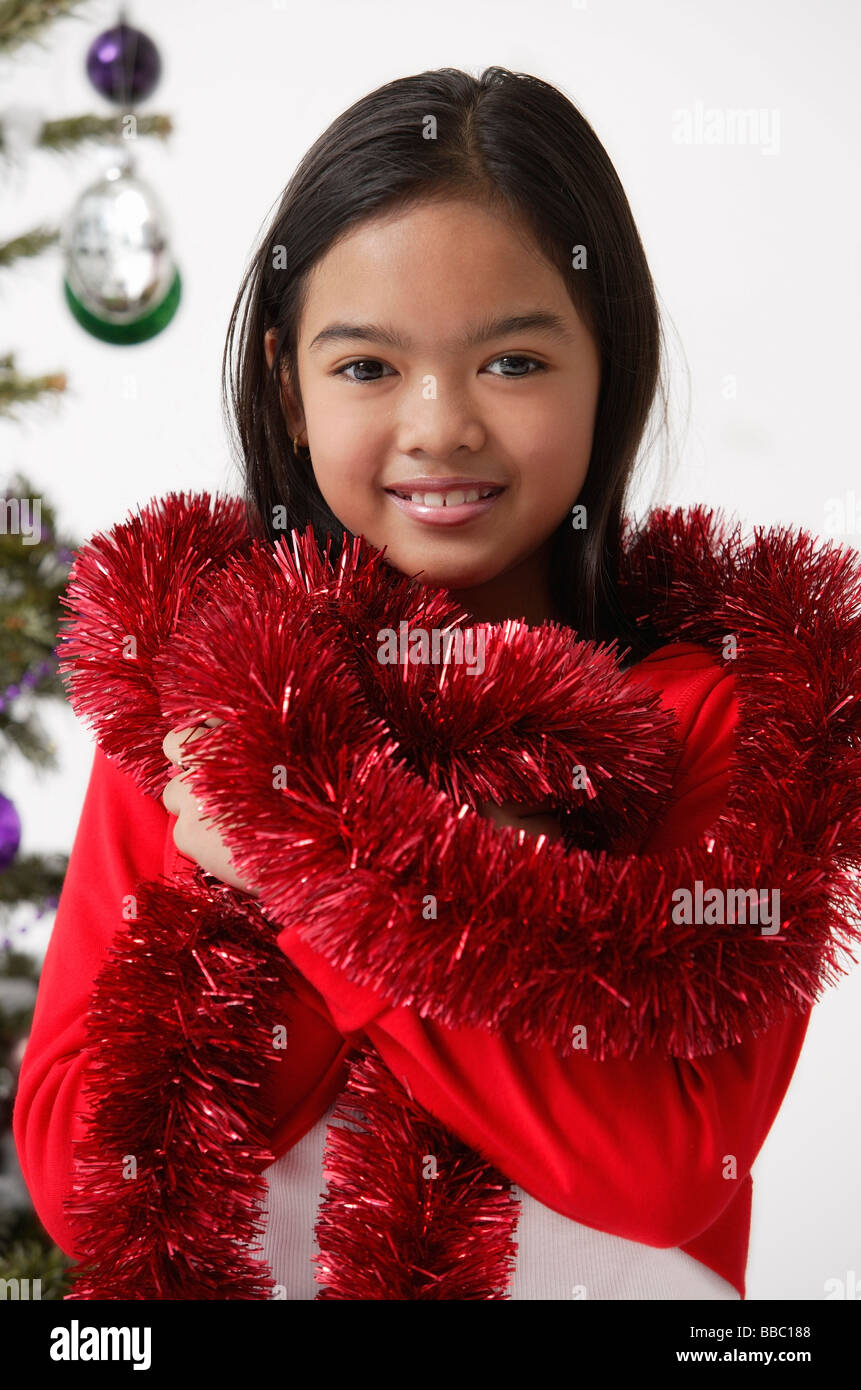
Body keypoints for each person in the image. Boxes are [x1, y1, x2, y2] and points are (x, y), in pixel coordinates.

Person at [14, 67, 844, 1301]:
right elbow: (87, 1171)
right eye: (366, 368)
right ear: (288, 389)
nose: (441, 424)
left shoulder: (717, 715)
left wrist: (310, 862)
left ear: (607, 368)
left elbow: (666, 1168)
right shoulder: (200, 696)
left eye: (512, 362)